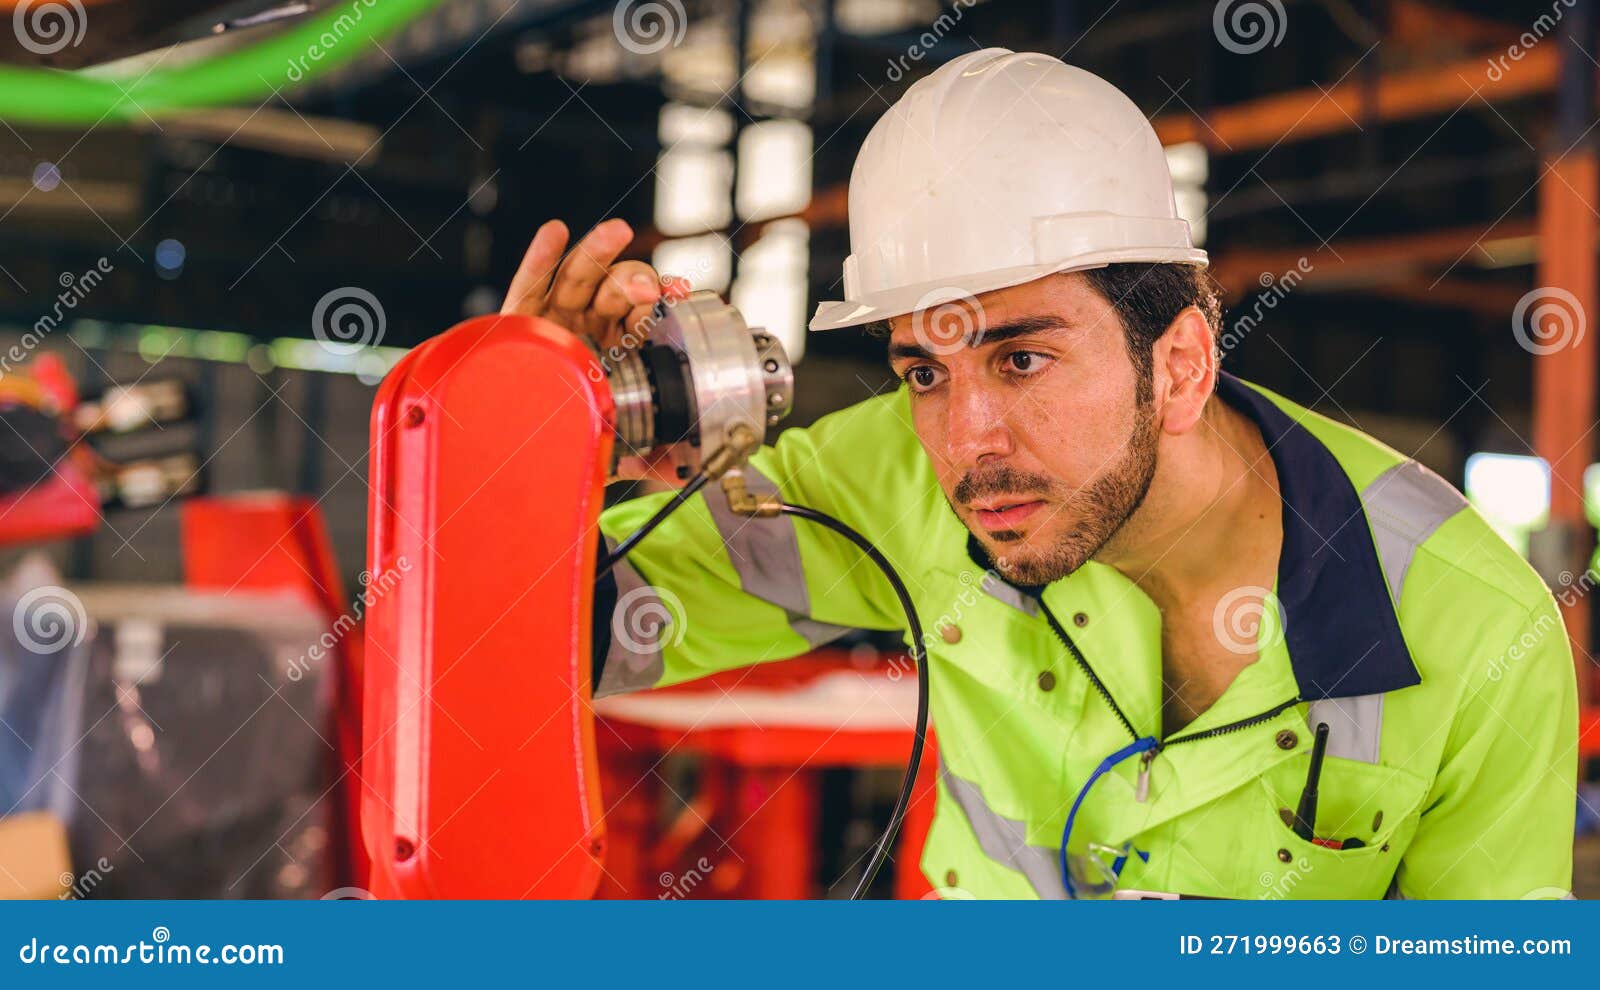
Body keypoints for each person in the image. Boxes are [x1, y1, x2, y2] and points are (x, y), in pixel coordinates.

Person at [499, 49, 1576, 899]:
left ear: (1183, 362)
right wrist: (535, 437)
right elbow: (539, 644)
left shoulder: (1474, 632)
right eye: (924, 369)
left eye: (1022, 359)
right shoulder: (889, 475)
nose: (967, 441)